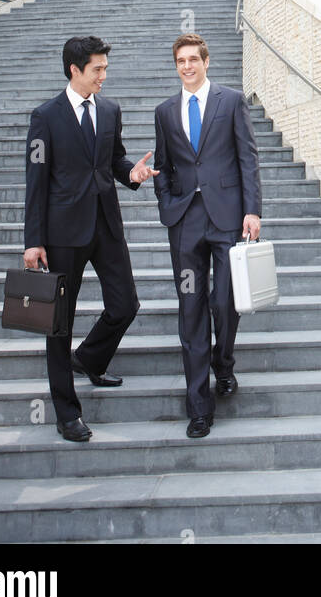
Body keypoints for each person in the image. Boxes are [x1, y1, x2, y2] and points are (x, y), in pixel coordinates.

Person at [23, 35, 156, 442]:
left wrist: (131, 173)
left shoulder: (111, 110)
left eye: (105, 68)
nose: (104, 75)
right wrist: (34, 240)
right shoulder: (45, 116)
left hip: (106, 225)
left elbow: (115, 159)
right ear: (74, 70)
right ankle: (66, 413)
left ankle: (90, 358)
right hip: (63, 234)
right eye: (97, 69)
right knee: (58, 324)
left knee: (126, 304)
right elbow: (36, 181)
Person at [153, 34, 262, 438]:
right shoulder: (164, 112)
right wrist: (166, 205)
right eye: (180, 60)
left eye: (193, 59)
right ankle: (199, 407)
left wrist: (252, 210)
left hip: (227, 217)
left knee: (224, 301)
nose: (187, 66)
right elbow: (162, 165)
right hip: (185, 222)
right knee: (191, 309)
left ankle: (224, 362)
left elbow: (248, 157)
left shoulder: (231, 101)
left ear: (206, 61)